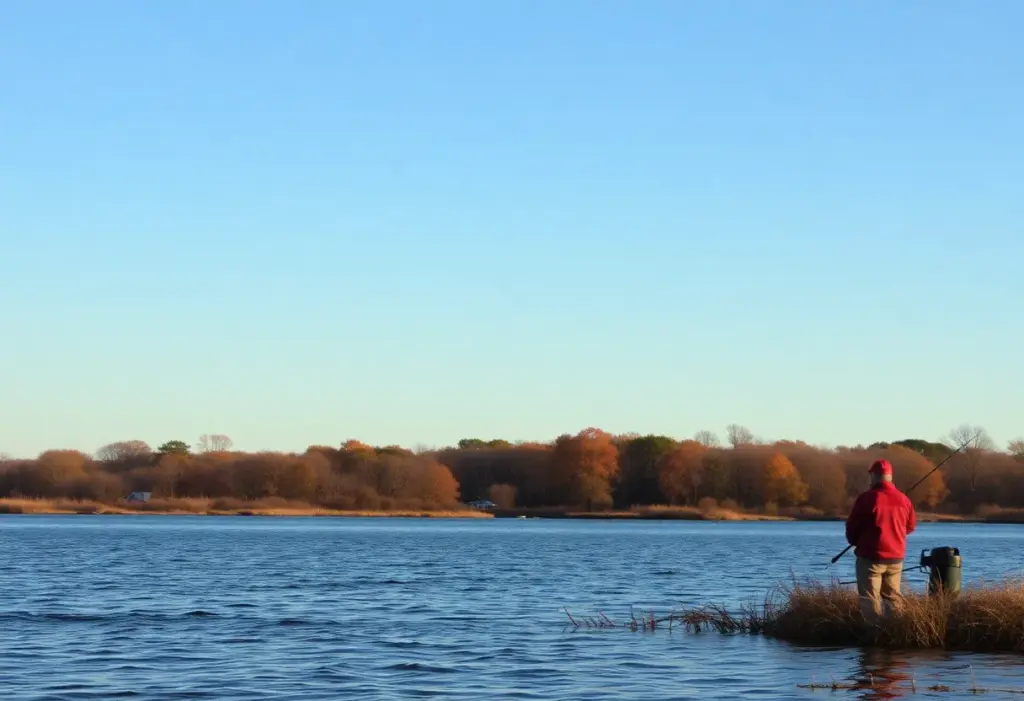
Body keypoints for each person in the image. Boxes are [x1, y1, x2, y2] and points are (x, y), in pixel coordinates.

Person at [845, 459, 916, 622]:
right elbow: (910, 526)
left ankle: (873, 637)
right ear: (890, 476)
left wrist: (857, 541)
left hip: (871, 557)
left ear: (874, 476)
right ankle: (896, 633)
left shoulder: (867, 498)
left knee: (870, 599)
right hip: (896, 558)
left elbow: (852, 527)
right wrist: (894, 535)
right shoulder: (904, 499)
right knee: (893, 598)